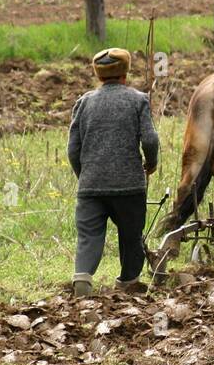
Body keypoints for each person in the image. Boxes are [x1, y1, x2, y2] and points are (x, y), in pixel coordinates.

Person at [68, 47, 159, 296]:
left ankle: (83, 280)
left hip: (90, 186)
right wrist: (151, 163)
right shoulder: (138, 100)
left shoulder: (83, 102)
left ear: (99, 76)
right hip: (129, 186)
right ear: (125, 74)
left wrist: (85, 175)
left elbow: (72, 149)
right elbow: (150, 140)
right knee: (131, 235)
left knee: (89, 236)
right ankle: (128, 282)